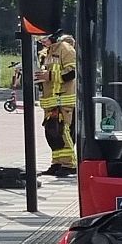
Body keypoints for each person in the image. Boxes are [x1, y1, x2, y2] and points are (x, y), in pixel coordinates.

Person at [36, 33, 78, 177]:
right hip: (50, 101)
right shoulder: (47, 52)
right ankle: (57, 163)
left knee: (62, 131)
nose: (42, 42)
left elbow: (72, 72)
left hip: (63, 99)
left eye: (44, 38)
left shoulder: (65, 49)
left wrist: (49, 76)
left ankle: (69, 164)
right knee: (52, 134)